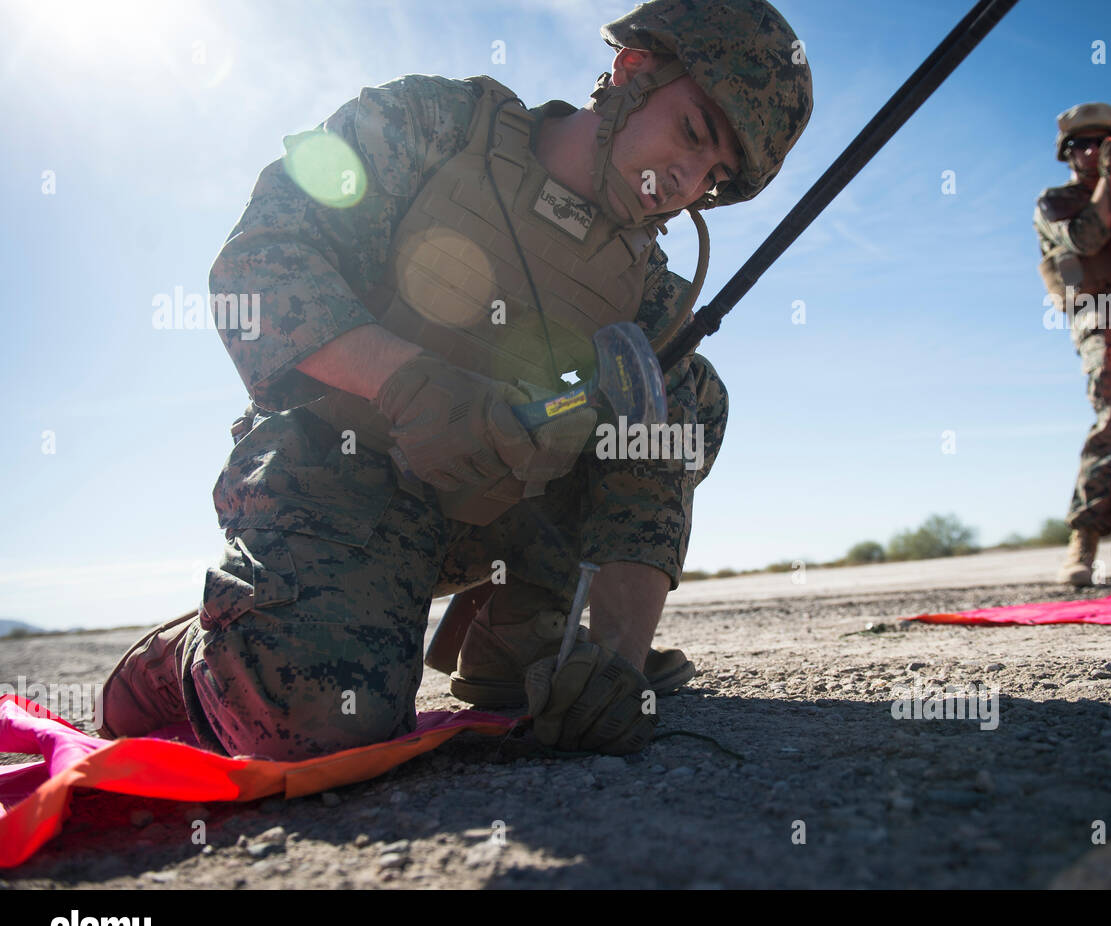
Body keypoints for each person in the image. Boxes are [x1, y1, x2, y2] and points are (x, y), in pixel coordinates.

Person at [97, 0, 813, 758]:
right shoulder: (432, 125)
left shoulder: (653, 297)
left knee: (683, 394)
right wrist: (408, 381)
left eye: (714, 175)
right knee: (318, 727)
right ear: (634, 70)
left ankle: (528, 635)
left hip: (499, 514)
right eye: (692, 134)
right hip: (343, 475)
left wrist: (618, 665)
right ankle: (190, 654)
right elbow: (260, 267)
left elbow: (645, 477)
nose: (685, 180)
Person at [1034, 102, 1111, 587]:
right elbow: (1087, 240)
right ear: (1068, 154)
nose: (1093, 153)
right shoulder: (1056, 201)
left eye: (1103, 145)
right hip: (1102, 313)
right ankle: (1084, 542)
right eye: (1083, 145)